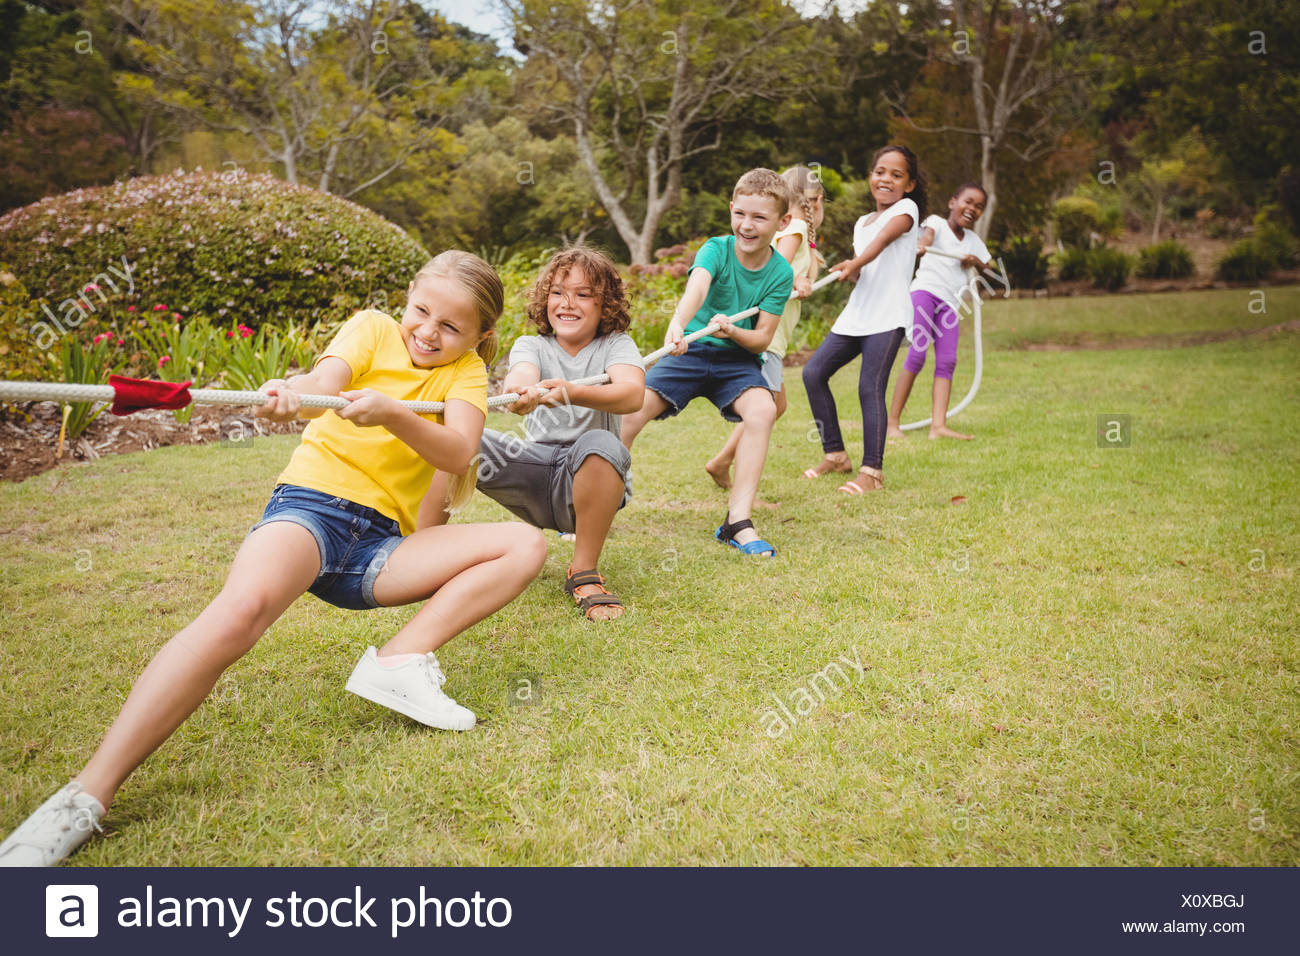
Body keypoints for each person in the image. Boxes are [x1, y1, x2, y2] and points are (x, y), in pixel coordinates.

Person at [0, 251, 548, 867]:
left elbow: (457, 451)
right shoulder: (370, 328)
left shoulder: (466, 373)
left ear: (480, 336)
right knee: (237, 616)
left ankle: (398, 661)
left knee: (526, 543)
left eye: (451, 327)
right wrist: (296, 396)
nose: (428, 331)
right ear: (408, 300)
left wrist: (393, 413)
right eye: (421, 311)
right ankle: (84, 797)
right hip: (313, 510)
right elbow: (324, 384)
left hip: (379, 550)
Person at [460, 246, 644, 621]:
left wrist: (572, 392)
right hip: (534, 476)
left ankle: (584, 573)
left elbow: (632, 394)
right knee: (457, 437)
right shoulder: (533, 344)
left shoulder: (616, 345)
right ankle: (423, 547)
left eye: (583, 294)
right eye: (558, 292)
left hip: (587, 487)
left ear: (605, 304)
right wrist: (522, 395)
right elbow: (520, 377)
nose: (567, 303)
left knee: (603, 444)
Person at [620, 168, 794, 557]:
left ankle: (738, 522)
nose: (746, 225)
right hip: (690, 351)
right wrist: (678, 323)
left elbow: (763, 338)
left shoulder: (780, 273)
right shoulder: (716, 249)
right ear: (732, 209)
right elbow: (697, 285)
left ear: (782, 223)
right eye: (740, 214)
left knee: (764, 409)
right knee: (630, 410)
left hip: (737, 359)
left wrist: (732, 332)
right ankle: (597, 502)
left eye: (759, 218)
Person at [801, 145, 926, 494]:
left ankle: (872, 473)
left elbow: (885, 242)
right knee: (813, 374)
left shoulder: (906, 210)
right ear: (871, 176)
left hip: (888, 315)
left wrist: (856, 263)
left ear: (910, 184)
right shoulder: (861, 223)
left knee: (869, 387)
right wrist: (850, 270)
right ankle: (836, 455)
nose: (886, 179)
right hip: (857, 314)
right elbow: (864, 265)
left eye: (896, 175)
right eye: (880, 171)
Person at [705, 165, 825, 490]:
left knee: (776, 405)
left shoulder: (795, 229)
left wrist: (805, 278)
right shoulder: (797, 224)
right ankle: (734, 476)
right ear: (818, 201)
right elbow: (776, 269)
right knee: (764, 411)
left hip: (774, 337)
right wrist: (795, 278)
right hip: (765, 336)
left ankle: (722, 461)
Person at [887, 182, 994, 441]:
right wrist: (922, 245)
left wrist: (977, 262)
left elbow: (996, 275)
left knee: (947, 361)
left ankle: (938, 426)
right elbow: (927, 237)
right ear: (952, 203)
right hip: (925, 293)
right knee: (918, 354)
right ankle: (892, 424)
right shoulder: (936, 222)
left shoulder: (974, 242)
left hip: (950, 305)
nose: (972, 209)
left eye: (979, 206)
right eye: (968, 201)